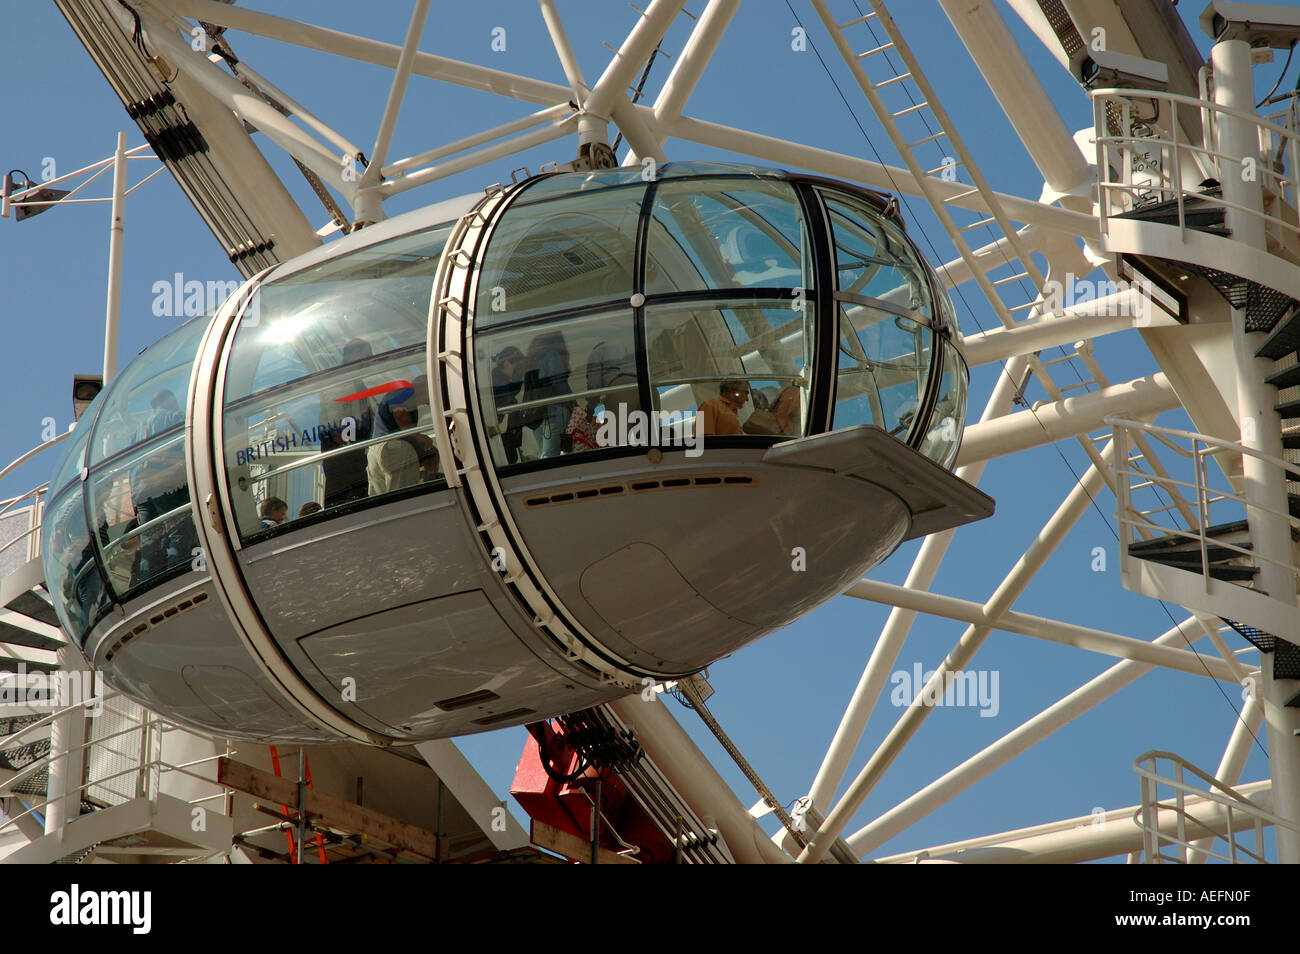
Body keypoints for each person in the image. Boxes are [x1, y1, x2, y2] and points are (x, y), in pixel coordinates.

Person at [321, 338, 376, 509]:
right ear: (353, 354)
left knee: (358, 492)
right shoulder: (340, 379)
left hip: (354, 448)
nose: (369, 359)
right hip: (343, 450)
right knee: (343, 497)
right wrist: (344, 435)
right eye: (367, 354)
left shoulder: (356, 381)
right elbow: (334, 410)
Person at [367, 375, 434, 494]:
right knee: (401, 497)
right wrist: (419, 437)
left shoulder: (399, 393)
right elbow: (399, 414)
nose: (428, 401)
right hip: (393, 448)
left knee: (381, 502)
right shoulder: (407, 391)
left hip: (374, 451)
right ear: (422, 385)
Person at [522, 332, 572, 458]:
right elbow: (558, 381)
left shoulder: (531, 361)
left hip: (536, 415)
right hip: (555, 409)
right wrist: (571, 400)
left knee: (544, 454)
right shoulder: (552, 354)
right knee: (551, 455)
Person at [491, 346, 525, 464]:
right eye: (516, 367)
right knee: (510, 459)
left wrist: (518, 378)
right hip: (503, 429)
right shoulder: (497, 380)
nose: (517, 370)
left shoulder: (500, 378)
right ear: (506, 363)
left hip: (507, 430)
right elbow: (506, 398)